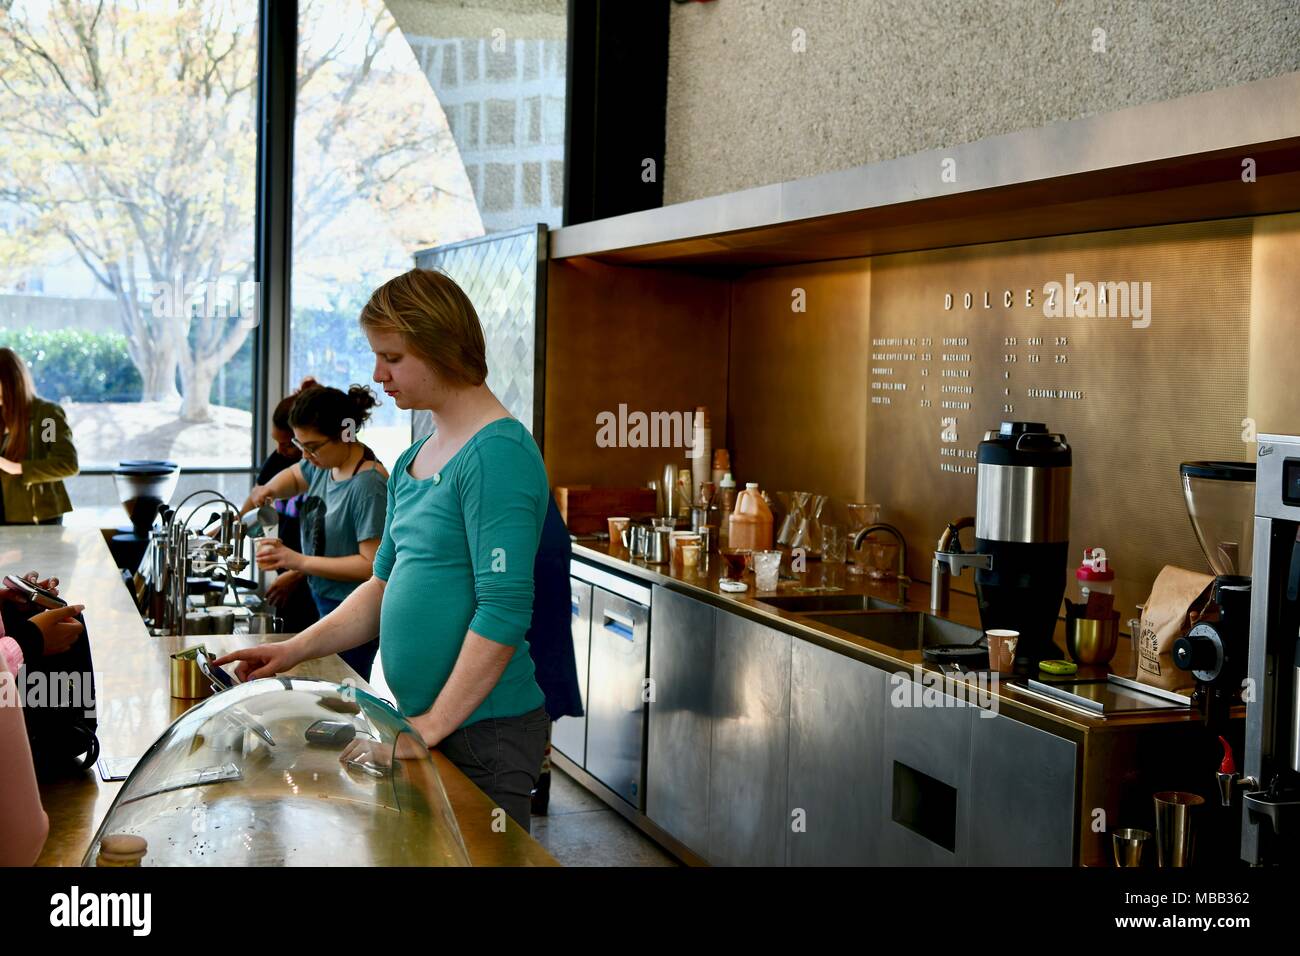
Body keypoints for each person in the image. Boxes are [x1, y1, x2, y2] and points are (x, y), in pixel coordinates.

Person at [218, 268, 551, 831]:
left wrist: (427, 728)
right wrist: (291, 651)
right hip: (423, 720)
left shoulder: (498, 454)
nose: (378, 375)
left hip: (481, 729)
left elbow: (503, 610)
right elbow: (381, 585)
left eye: (392, 358)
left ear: (442, 347)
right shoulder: (414, 457)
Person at [239, 383, 388, 680]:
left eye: (312, 446)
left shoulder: (368, 485)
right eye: (300, 445)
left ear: (345, 434)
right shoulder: (324, 464)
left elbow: (369, 565)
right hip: (324, 601)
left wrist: (296, 561)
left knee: (344, 698)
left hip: (355, 614)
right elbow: (295, 477)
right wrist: (269, 489)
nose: (305, 455)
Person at [235, 377, 321, 635]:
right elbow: (257, 496)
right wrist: (235, 526)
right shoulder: (281, 460)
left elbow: (333, 545)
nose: (280, 450)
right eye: (277, 442)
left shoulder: (322, 470)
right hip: (289, 572)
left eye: (287, 443)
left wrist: (297, 575)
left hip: (311, 579)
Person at [0, 348, 79, 525]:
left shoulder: (45, 418)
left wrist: (15, 467)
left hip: (36, 517)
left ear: (12, 381)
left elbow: (65, 463)